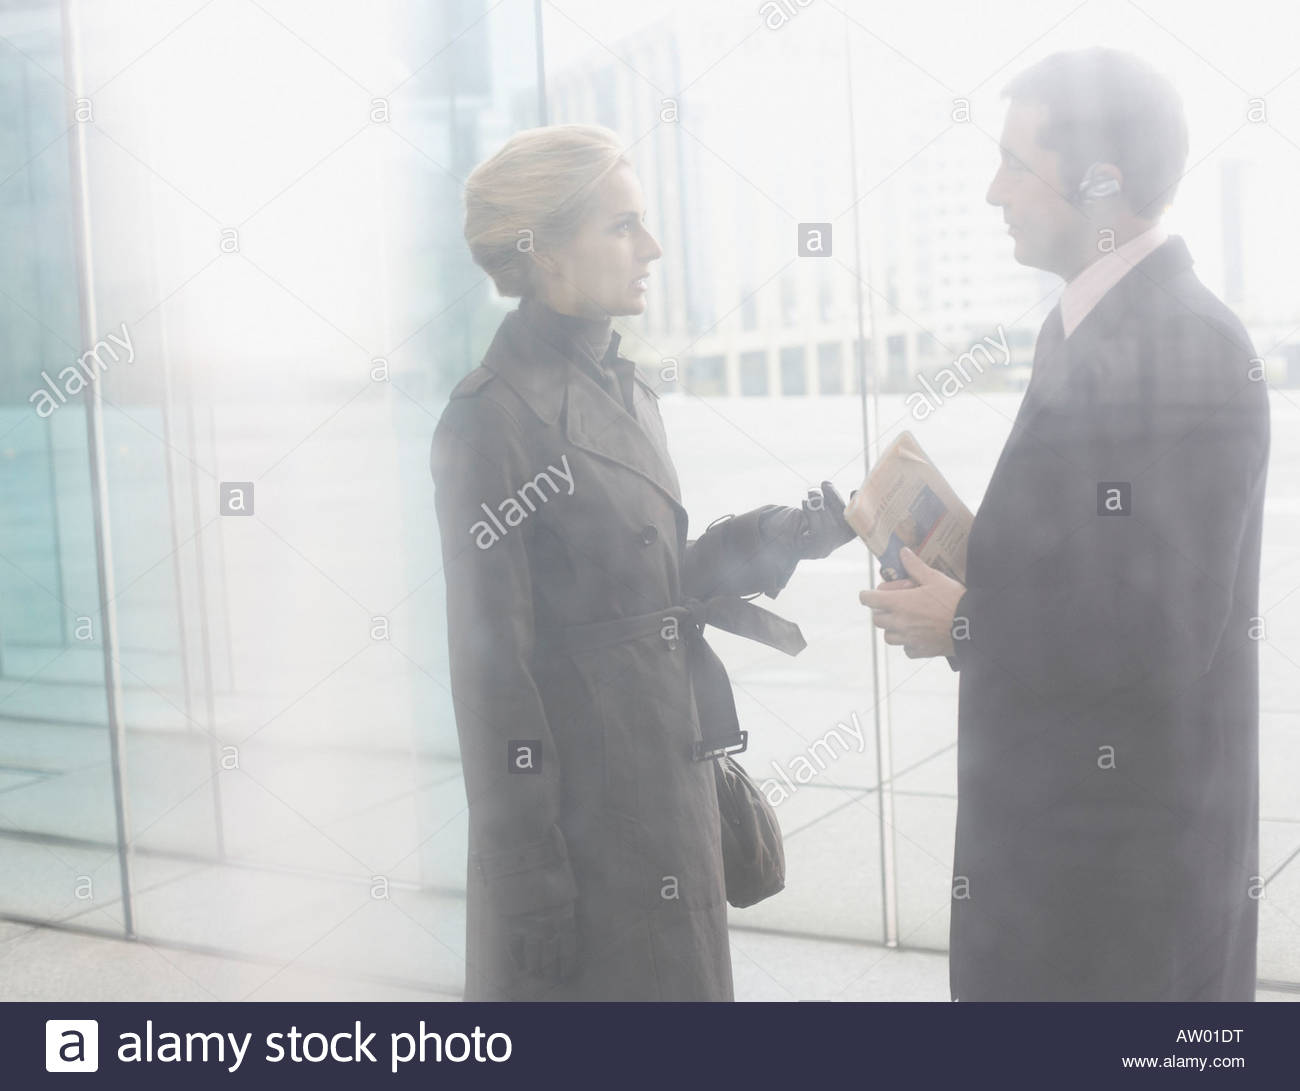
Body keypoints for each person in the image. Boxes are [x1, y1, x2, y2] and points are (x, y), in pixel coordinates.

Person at [861, 48, 1270, 1000]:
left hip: (1121, 896)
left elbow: (1163, 631)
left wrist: (966, 621)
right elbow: (1099, 565)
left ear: (1100, 183)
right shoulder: (1091, 324)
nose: (992, 189)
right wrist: (960, 571)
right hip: (1069, 859)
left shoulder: (1188, 346)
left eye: (1014, 161)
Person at [430, 124, 854, 1000]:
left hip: (671, 780)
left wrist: (795, 530)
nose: (651, 247)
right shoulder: (490, 419)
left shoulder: (622, 383)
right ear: (543, 250)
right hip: (588, 826)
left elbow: (657, 580)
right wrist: (530, 888)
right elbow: (492, 685)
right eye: (623, 226)